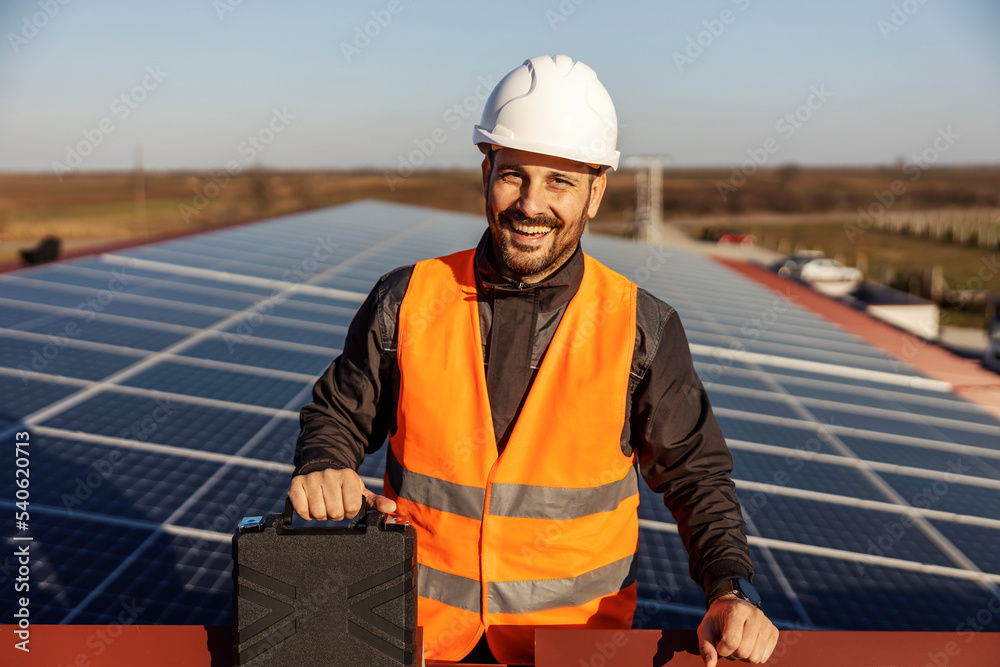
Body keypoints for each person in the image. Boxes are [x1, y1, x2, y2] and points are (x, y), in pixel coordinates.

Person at [288, 54, 778, 666]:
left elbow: (696, 477)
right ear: (485, 170)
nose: (530, 204)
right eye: (514, 175)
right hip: (416, 640)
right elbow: (338, 415)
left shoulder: (641, 327)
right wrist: (325, 463)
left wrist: (731, 589)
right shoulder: (405, 297)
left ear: (595, 192)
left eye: (560, 182)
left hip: (576, 652)